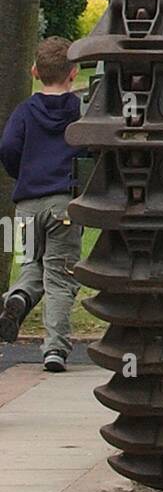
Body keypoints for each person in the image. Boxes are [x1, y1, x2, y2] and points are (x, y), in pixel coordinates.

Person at [0, 37, 83, 371]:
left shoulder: (24, 111)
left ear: (35, 71)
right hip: (63, 203)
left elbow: (7, 147)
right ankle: (55, 350)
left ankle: (17, 298)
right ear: (74, 73)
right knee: (60, 276)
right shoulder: (79, 111)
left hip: (26, 206)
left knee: (30, 265)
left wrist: (21, 173)